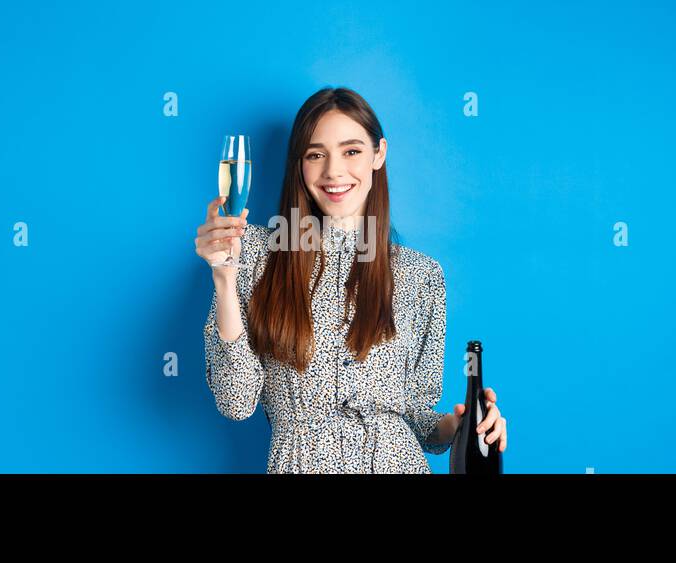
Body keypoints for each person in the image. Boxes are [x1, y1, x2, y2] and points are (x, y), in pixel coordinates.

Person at [194, 87, 506, 473]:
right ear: (299, 165)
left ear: (379, 154)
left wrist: (460, 427)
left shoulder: (420, 275)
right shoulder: (255, 253)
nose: (334, 171)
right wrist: (224, 278)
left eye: (352, 151)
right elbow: (236, 401)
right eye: (315, 154)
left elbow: (417, 417)